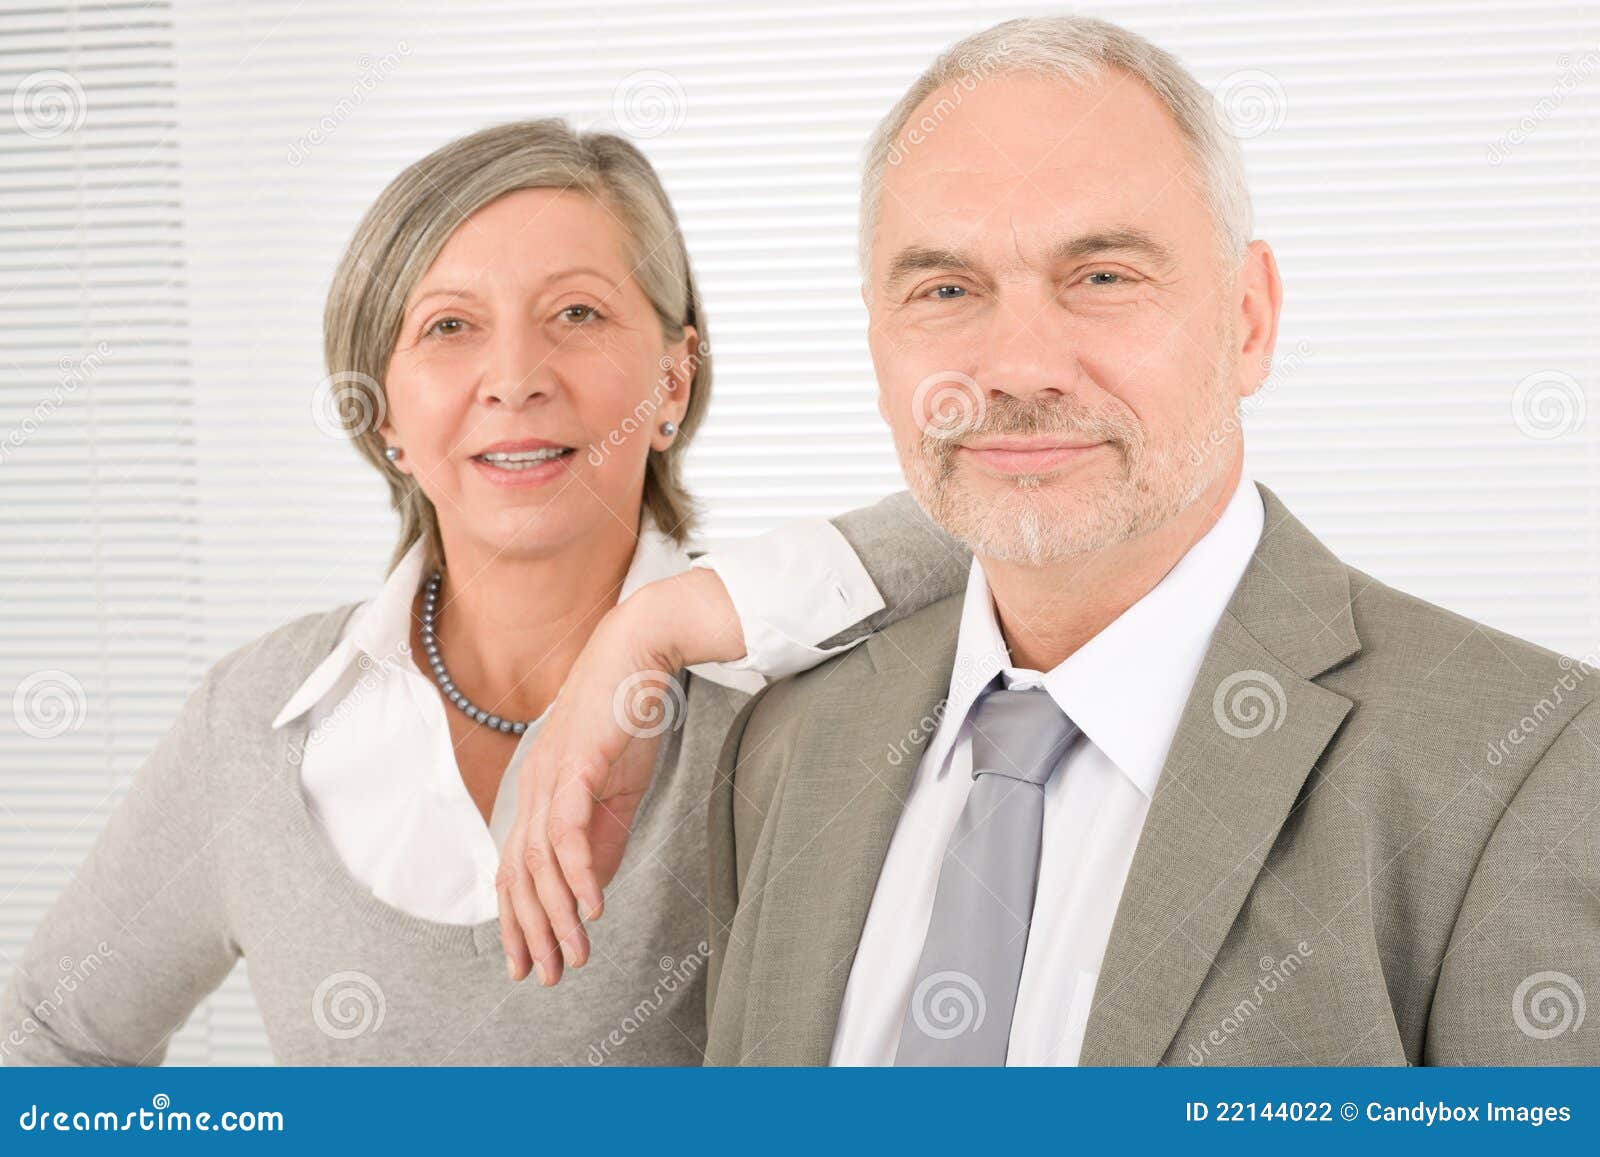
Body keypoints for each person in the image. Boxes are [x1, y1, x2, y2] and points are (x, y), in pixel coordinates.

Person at [503, 17, 1600, 1066]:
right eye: (946, 288)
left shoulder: (1523, 766)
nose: (1018, 367)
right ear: (878, 341)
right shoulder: (789, 749)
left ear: (1249, 319)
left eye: (1103, 276)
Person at [0, 119, 966, 1066]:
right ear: (381, 411)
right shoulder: (253, 720)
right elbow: (48, 1044)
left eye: (577, 314)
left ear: (672, 379)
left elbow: (1038, 509)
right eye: (449, 326)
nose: (514, 379)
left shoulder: (806, 694)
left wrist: (652, 632)